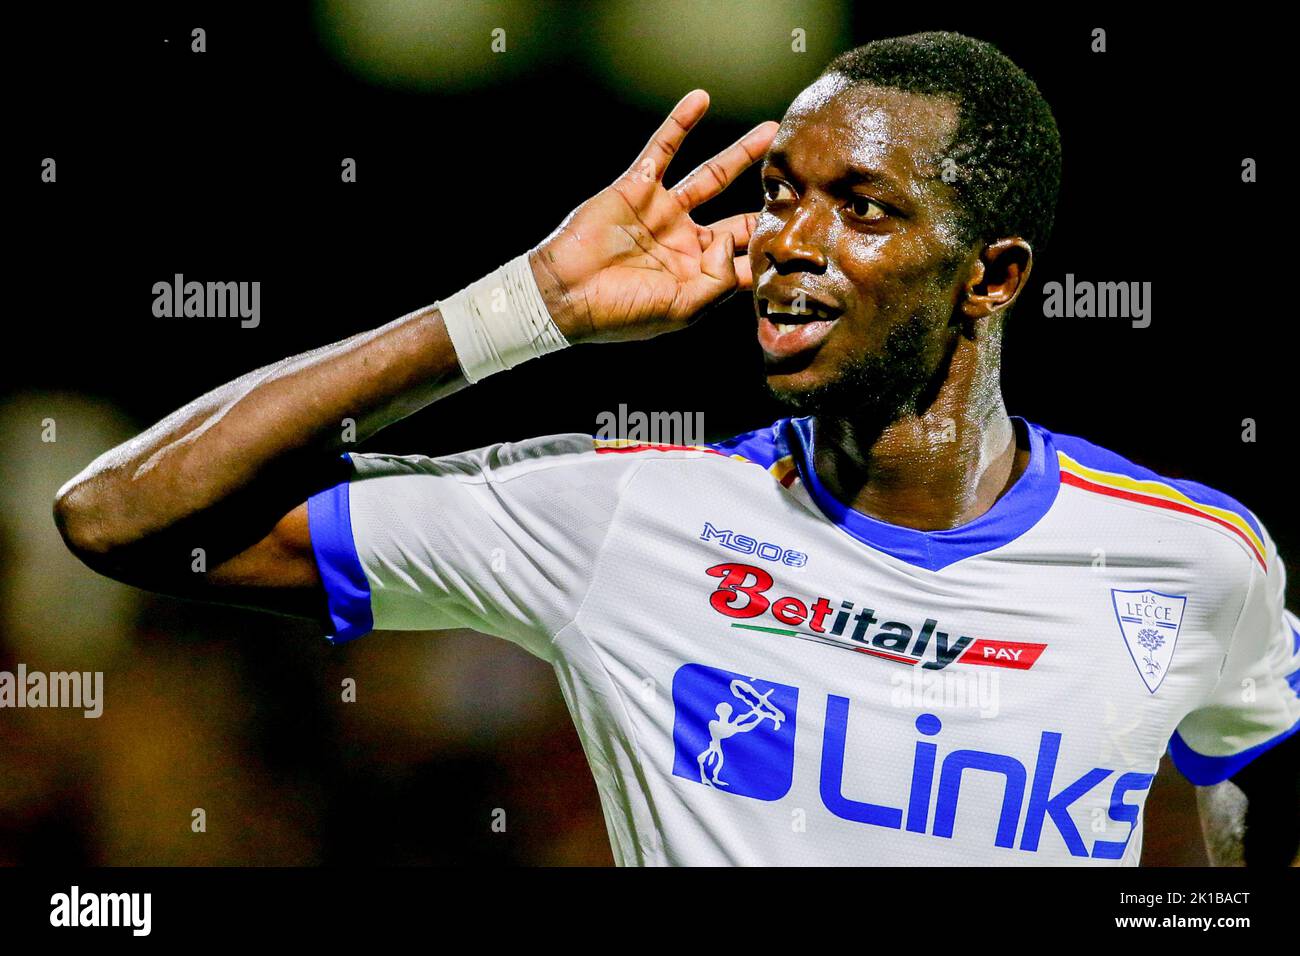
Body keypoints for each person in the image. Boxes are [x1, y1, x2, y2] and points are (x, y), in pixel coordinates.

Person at [55, 32, 1299, 865]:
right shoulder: (624, 522)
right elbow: (126, 518)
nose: (786, 241)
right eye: (780, 192)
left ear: (991, 275)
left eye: (860, 208)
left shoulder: (1194, 558)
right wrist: (525, 303)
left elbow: (1252, 772)